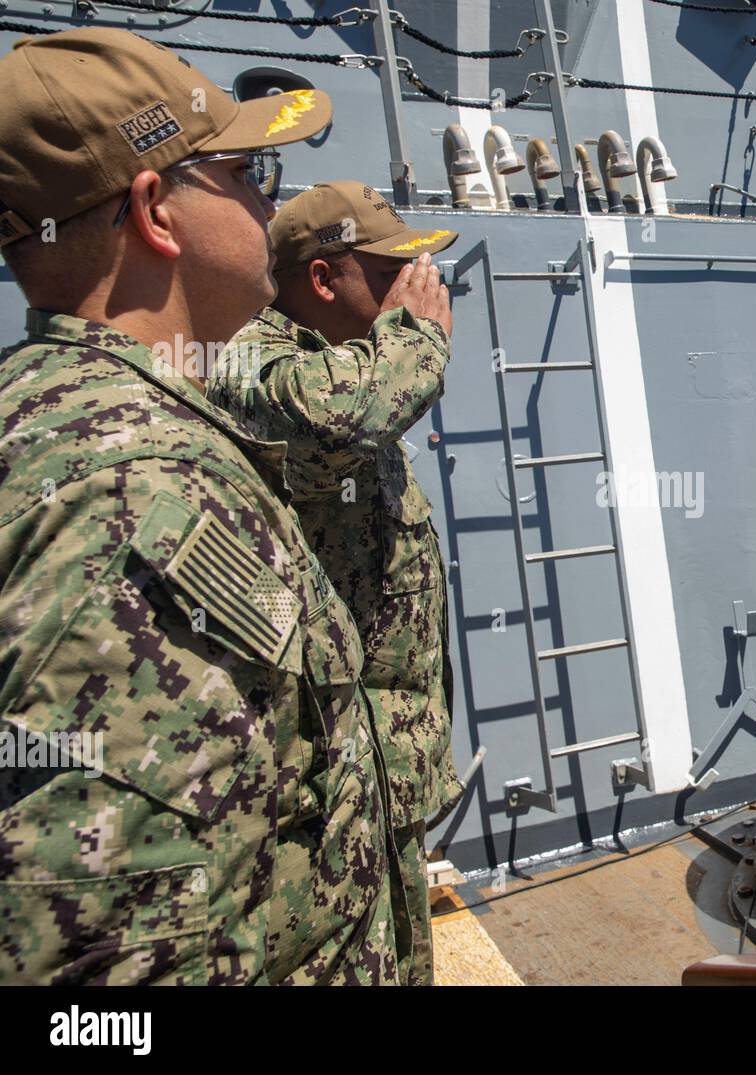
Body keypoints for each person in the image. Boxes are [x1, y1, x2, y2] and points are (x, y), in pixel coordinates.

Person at [0, 28, 404, 984]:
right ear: (157, 213)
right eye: (244, 169)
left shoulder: (67, 423)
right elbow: (103, 972)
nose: (269, 200)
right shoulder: (138, 492)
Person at [206, 180, 460, 986]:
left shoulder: (348, 360)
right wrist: (416, 338)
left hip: (387, 765)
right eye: (390, 271)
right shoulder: (252, 357)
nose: (414, 285)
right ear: (322, 279)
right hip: (319, 786)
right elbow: (343, 413)